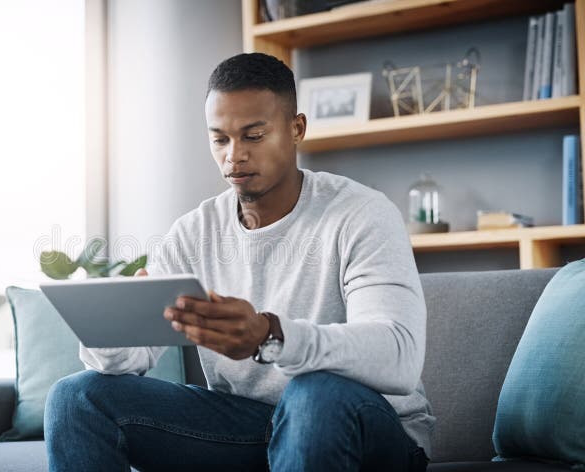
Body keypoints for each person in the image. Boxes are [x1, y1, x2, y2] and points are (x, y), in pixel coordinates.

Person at [44, 52, 434, 471]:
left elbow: (399, 357)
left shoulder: (362, 214)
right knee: (76, 398)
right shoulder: (192, 233)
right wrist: (115, 324)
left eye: (253, 136)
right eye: (220, 139)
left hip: (369, 426)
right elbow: (128, 363)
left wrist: (271, 336)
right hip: (251, 427)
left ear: (296, 129)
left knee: (312, 393)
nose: (234, 156)